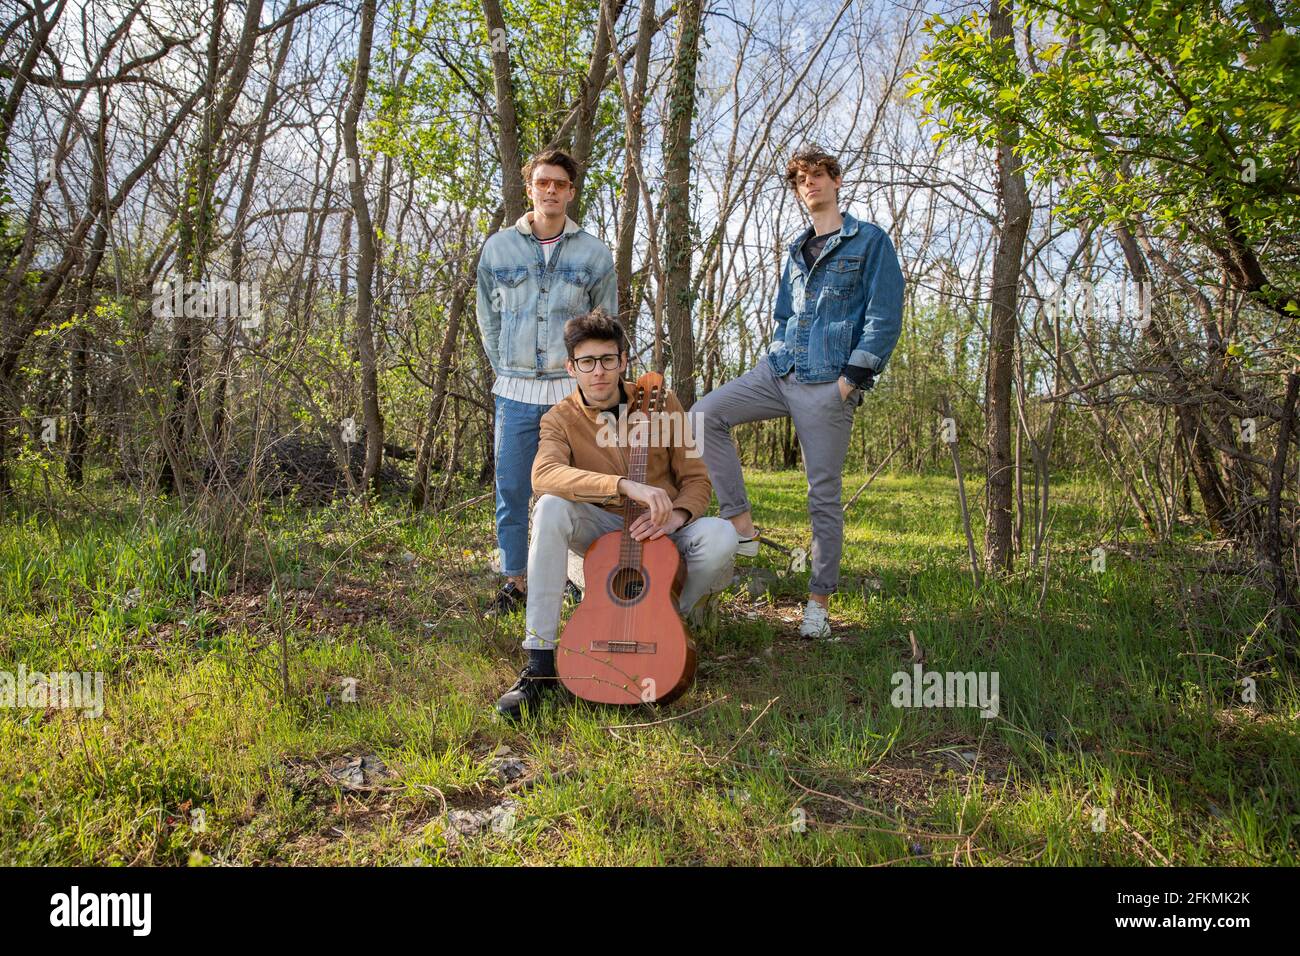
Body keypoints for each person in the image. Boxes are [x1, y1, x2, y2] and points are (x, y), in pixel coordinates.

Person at [694, 147, 904, 638]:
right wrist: (774, 352)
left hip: (829, 383)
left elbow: (884, 316)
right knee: (703, 416)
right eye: (800, 180)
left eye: (817, 176)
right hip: (779, 370)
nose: (809, 184)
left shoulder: (869, 241)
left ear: (835, 181)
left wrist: (850, 379)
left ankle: (817, 604)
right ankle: (741, 527)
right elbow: (784, 315)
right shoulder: (795, 250)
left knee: (822, 498)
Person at [495, 310, 737, 721]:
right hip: (604, 529)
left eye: (608, 359)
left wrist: (676, 515)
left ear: (623, 361)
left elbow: (697, 480)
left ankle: (664, 624)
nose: (599, 372)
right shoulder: (561, 419)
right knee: (551, 506)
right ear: (571, 368)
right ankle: (539, 664)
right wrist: (622, 485)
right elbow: (543, 474)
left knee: (722, 537)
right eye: (587, 362)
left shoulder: (661, 403)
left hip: (660, 531)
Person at [476, 149, 617, 615]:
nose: (551, 190)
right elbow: (488, 316)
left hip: (570, 395)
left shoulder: (594, 253)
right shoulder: (498, 248)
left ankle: (574, 579)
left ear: (571, 192)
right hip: (515, 392)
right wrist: (504, 365)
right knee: (513, 489)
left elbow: (604, 322)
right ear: (530, 188)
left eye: (560, 183)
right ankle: (515, 581)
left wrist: (589, 380)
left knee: (574, 489)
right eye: (543, 183)